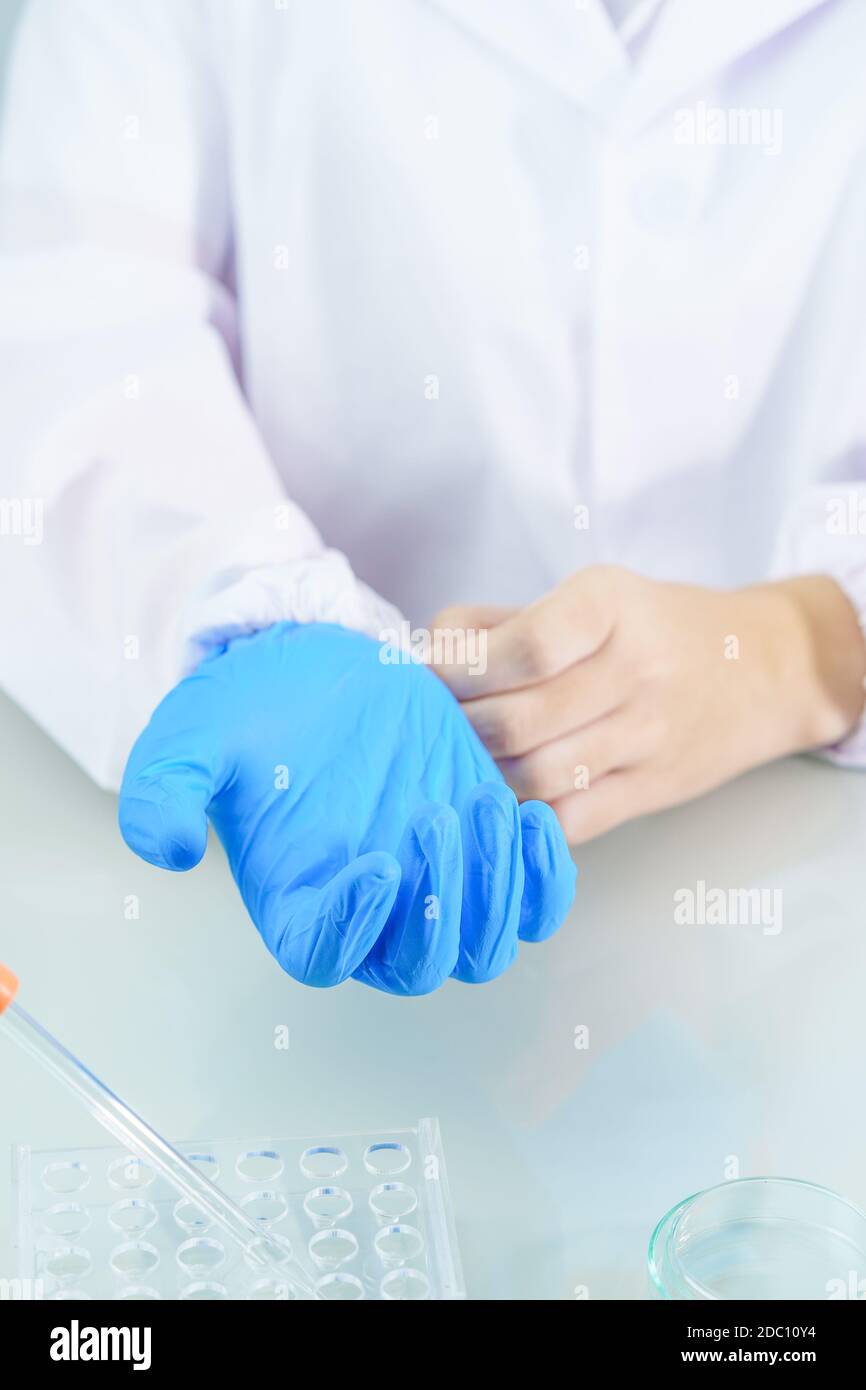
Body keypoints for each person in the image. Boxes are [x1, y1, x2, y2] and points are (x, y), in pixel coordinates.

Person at [1, 1, 864, 994]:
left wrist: (802, 649)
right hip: (262, 887)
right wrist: (254, 618)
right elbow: (71, 325)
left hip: (808, 902)